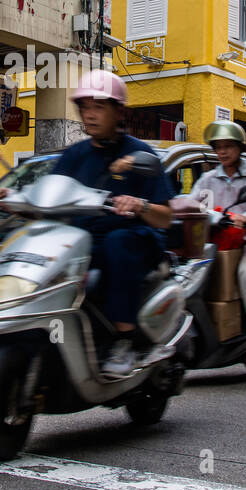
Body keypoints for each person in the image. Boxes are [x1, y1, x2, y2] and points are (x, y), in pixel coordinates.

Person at [51, 70, 174, 375]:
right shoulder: (75, 155)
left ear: (119, 112)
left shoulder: (140, 154)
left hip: (135, 237)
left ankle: (125, 340)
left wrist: (140, 204)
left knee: (119, 243)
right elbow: (51, 192)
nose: (89, 115)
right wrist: (12, 197)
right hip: (88, 240)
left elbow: (167, 216)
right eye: (85, 108)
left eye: (99, 107)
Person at [190, 121, 246, 369]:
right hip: (216, 243)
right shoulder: (208, 179)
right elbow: (192, 202)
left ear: (239, 147)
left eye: (228, 146)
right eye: (218, 147)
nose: (223, 152)